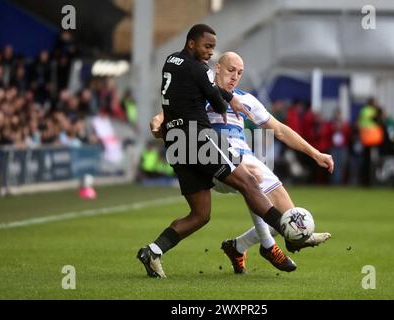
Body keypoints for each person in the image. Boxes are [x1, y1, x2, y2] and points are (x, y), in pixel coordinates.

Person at [151, 52, 334, 274]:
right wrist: (159, 120)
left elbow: (280, 130)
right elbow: (169, 111)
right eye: (230, 70)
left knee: (281, 214)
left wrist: (316, 154)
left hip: (241, 161)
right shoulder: (200, 93)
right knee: (255, 176)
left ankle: (239, 246)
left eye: (239, 73)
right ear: (217, 68)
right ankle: (273, 244)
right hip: (210, 161)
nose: (235, 76)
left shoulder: (246, 100)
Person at [137, 24, 296, 279]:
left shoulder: (171, 61)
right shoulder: (198, 69)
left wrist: (160, 119)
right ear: (191, 44)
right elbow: (218, 100)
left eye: (213, 47)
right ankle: (285, 230)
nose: (211, 52)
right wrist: (229, 102)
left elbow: (186, 97)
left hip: (176, 143)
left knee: (200, 215)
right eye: (207, 46)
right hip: (198, 138)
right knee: (249, 182)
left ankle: (152, 251)